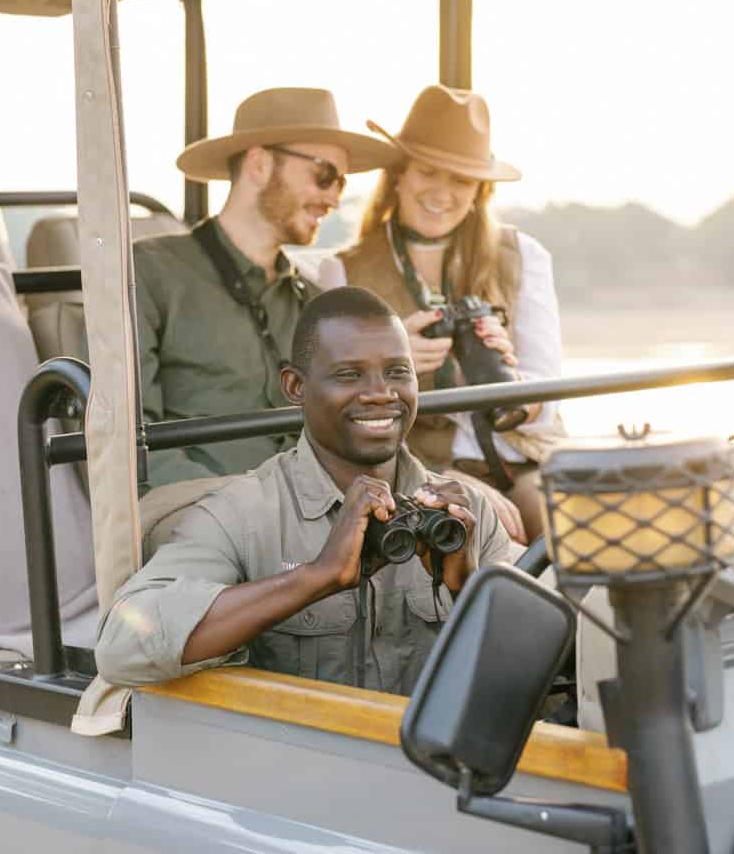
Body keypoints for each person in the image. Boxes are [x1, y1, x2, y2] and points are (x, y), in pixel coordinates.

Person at [95, 287, 512, 692]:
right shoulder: (245, 515)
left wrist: (466, 586)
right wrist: (316, 578)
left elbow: (534, 676)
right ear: (295, 387)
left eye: (398, 372)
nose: (381, 393)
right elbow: (121, 647)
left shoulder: (465, 513)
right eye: (349, 375)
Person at [318, 85, 563, 540]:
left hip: (521, 459)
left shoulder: (523, 255)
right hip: (414, 470)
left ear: (479, 191)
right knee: (479, 533)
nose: (442, 193)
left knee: (567, 530)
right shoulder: (343, 270)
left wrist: (507, 374)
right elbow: (333, 416)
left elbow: (547, 403)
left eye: (461, 180)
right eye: (428, 172)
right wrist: (391, 360)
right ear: (398, 175)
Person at [132, 86, 399, 489]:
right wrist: (241, 509)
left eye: (340, 184)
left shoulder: (314, 303)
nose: (332, 198)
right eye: (323, 174)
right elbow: (127, 445)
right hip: (196, 508)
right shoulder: (150, 271)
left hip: (314, 512)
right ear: (258, 165)